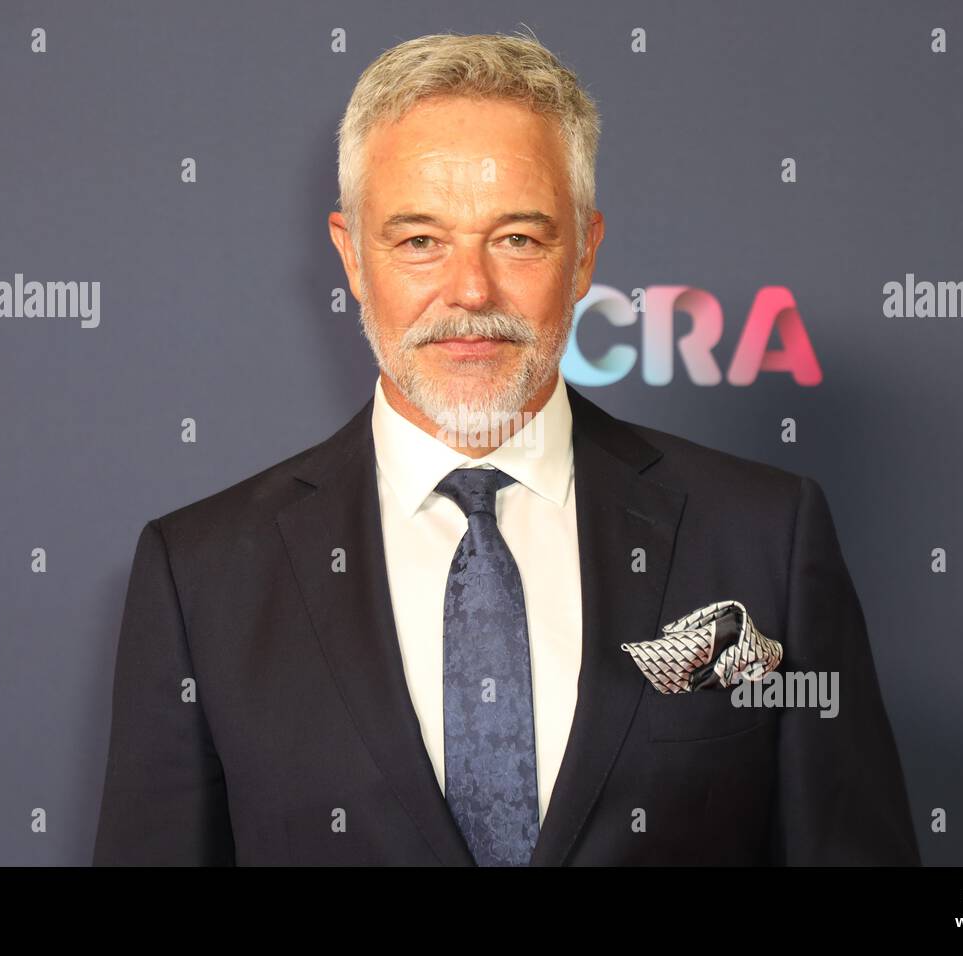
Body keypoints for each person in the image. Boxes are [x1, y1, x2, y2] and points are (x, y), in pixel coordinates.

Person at [92, 31, 920, 866]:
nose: (471, 291)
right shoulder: (200, 573)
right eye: (419, 240)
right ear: (350, 256)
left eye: (518, 238)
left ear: (586, 251)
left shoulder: (763, 537)